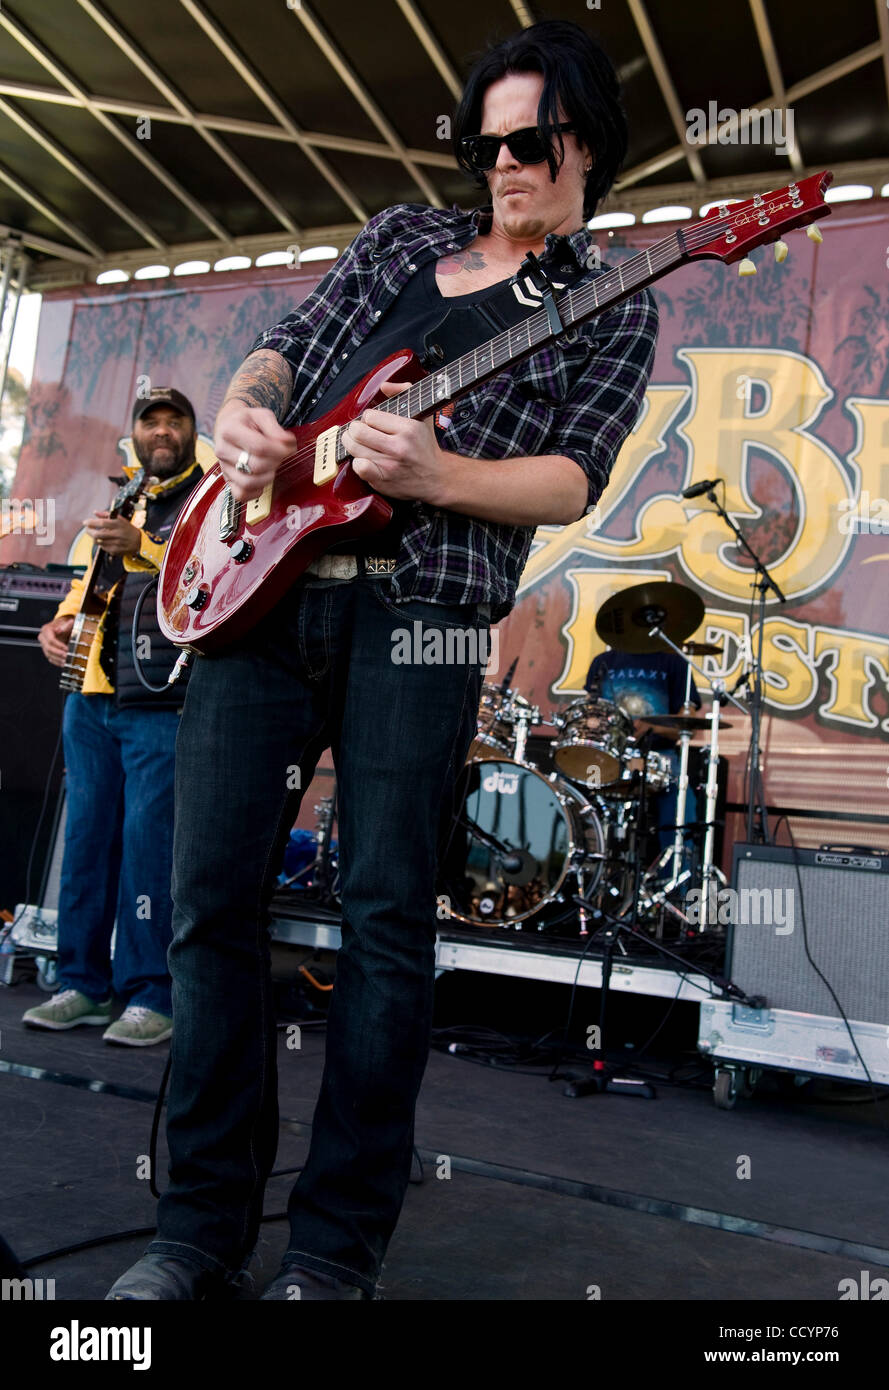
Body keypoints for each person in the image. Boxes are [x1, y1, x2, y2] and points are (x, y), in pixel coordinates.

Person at [106, 19, 659, 1301]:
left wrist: (442, 472)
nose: (503, 164)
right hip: (259, 588)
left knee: (387, 925)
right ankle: (194, 1231)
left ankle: (332, 1253)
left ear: (588, 148)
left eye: (531, 141)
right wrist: (247, 410)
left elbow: (572, 478)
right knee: (205, 909)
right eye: (487, 141)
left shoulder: (610, 297)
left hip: (423, 606)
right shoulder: (405, 236)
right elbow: (285, 346)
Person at [24, 389, 201, 1046]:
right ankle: (80, 984)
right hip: (88, 696)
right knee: (87, 846)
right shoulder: (124, 495)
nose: (161, 431)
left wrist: (145, 544)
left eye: (173, 421)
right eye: (149, 422)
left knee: (148, 850)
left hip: (157, 700)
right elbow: (90, 584)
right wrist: (59, 625)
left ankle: (150, 994)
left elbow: (208, 577)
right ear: (134, 435)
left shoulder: (208, 500)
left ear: (190, 432)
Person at [584, 644, 701, 858]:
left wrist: (650, 726)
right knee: (570, 788)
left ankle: (675, 881)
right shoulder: (603, 662)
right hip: (606, 757)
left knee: (681, 804)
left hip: (659, 757)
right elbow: (588, 713)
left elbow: (688, 725)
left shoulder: (674, 662)